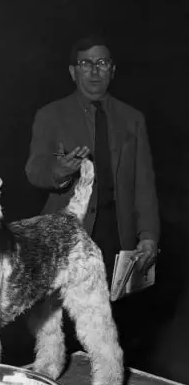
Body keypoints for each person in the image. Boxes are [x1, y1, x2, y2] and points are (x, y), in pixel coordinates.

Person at [25, 34, 160, 283]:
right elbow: (34, 170)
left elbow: (144, 185)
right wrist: (60, 170)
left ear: (112, 70)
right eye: (86, 64)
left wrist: (149, 234)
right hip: (66, 234)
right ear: (73, 72)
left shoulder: (133, 119)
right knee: (65, 315)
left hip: (118, 236)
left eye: (102, 63)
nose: (94, 71)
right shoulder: (50, 115)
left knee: (115, 316)